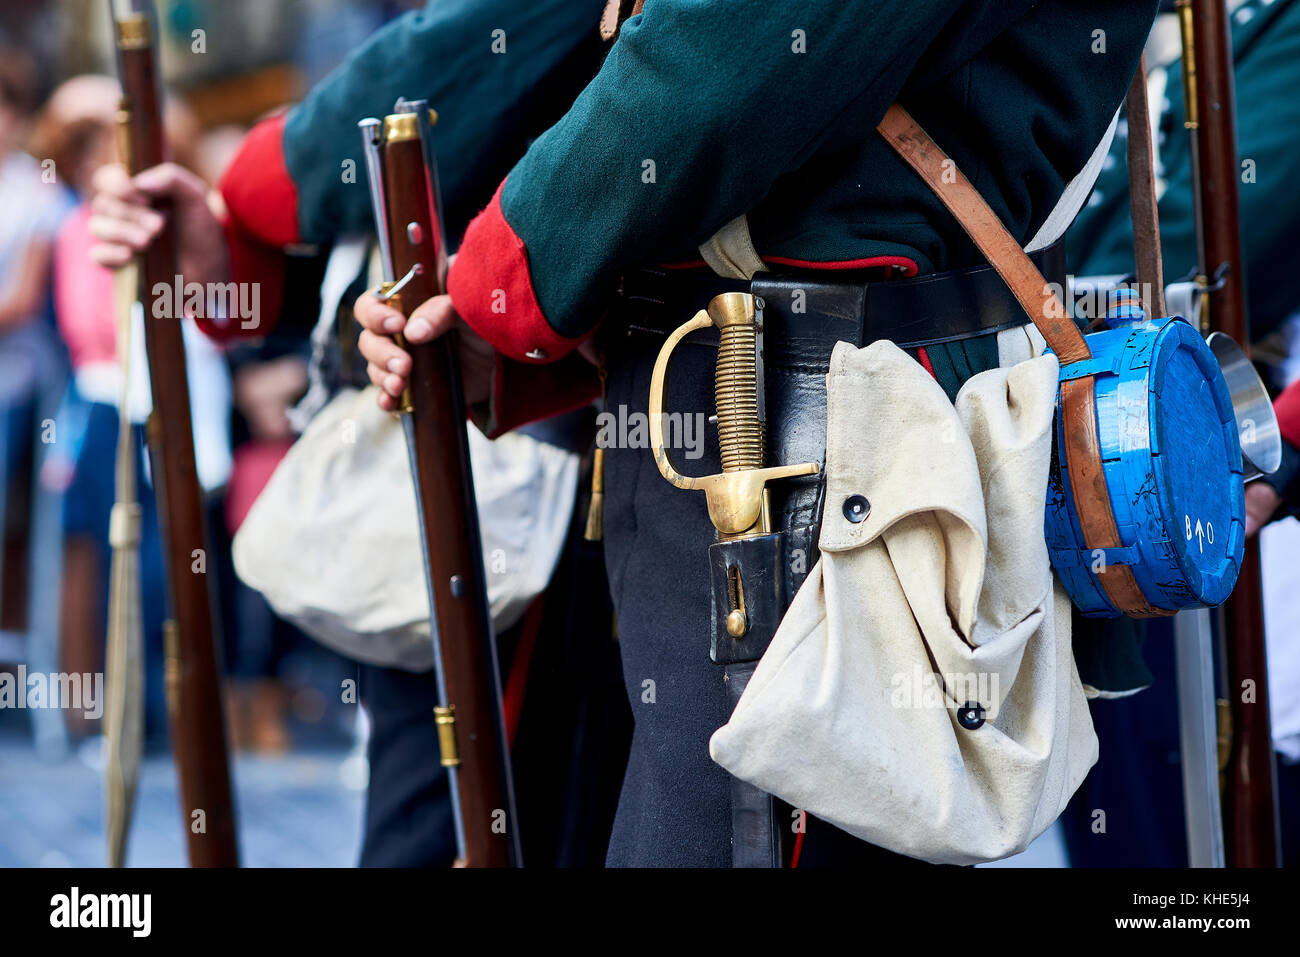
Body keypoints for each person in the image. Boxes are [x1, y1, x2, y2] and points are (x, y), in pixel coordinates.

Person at [353, 0, 1162, 865]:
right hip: (781, 414)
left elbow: (720, 66)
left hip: (807, 438)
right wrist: (524, 333)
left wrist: (501, 285)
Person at [88, 0, 628, 866]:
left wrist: (260, 184)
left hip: (551, 463)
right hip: (454, 439)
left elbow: (457, 61)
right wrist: (227, 254)